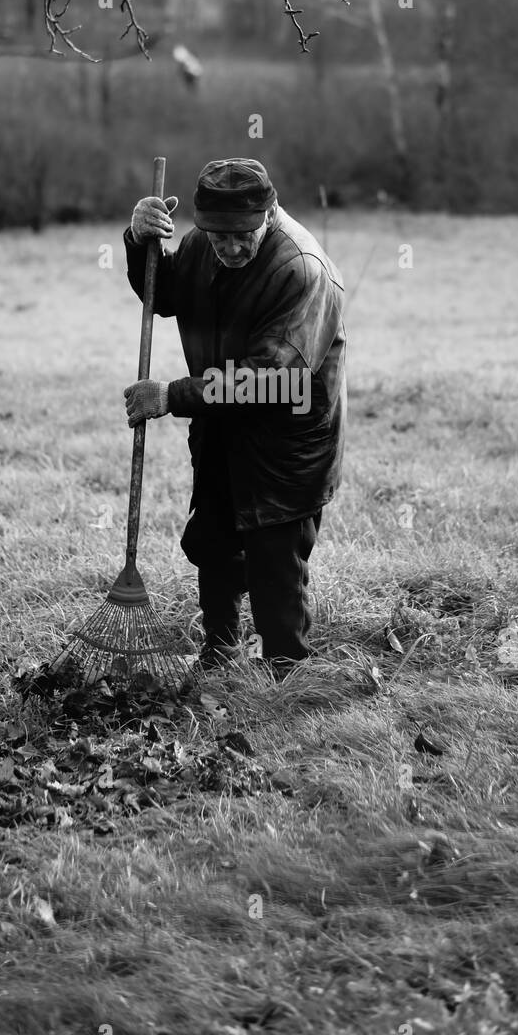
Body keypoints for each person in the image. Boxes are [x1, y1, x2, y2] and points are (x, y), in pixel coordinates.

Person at [122, 158, 346, 675]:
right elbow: (167, 293)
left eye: (243, 235)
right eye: (218, 236)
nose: (231, 248)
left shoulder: (301, 270)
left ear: (268, 214)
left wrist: (171, 396)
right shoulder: (208, 242)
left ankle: (286, 676)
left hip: (286, 445)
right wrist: (140, 242)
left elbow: (271, 378)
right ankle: (218, 652)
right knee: (214, 543)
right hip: (223, 426)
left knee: (273, 563)